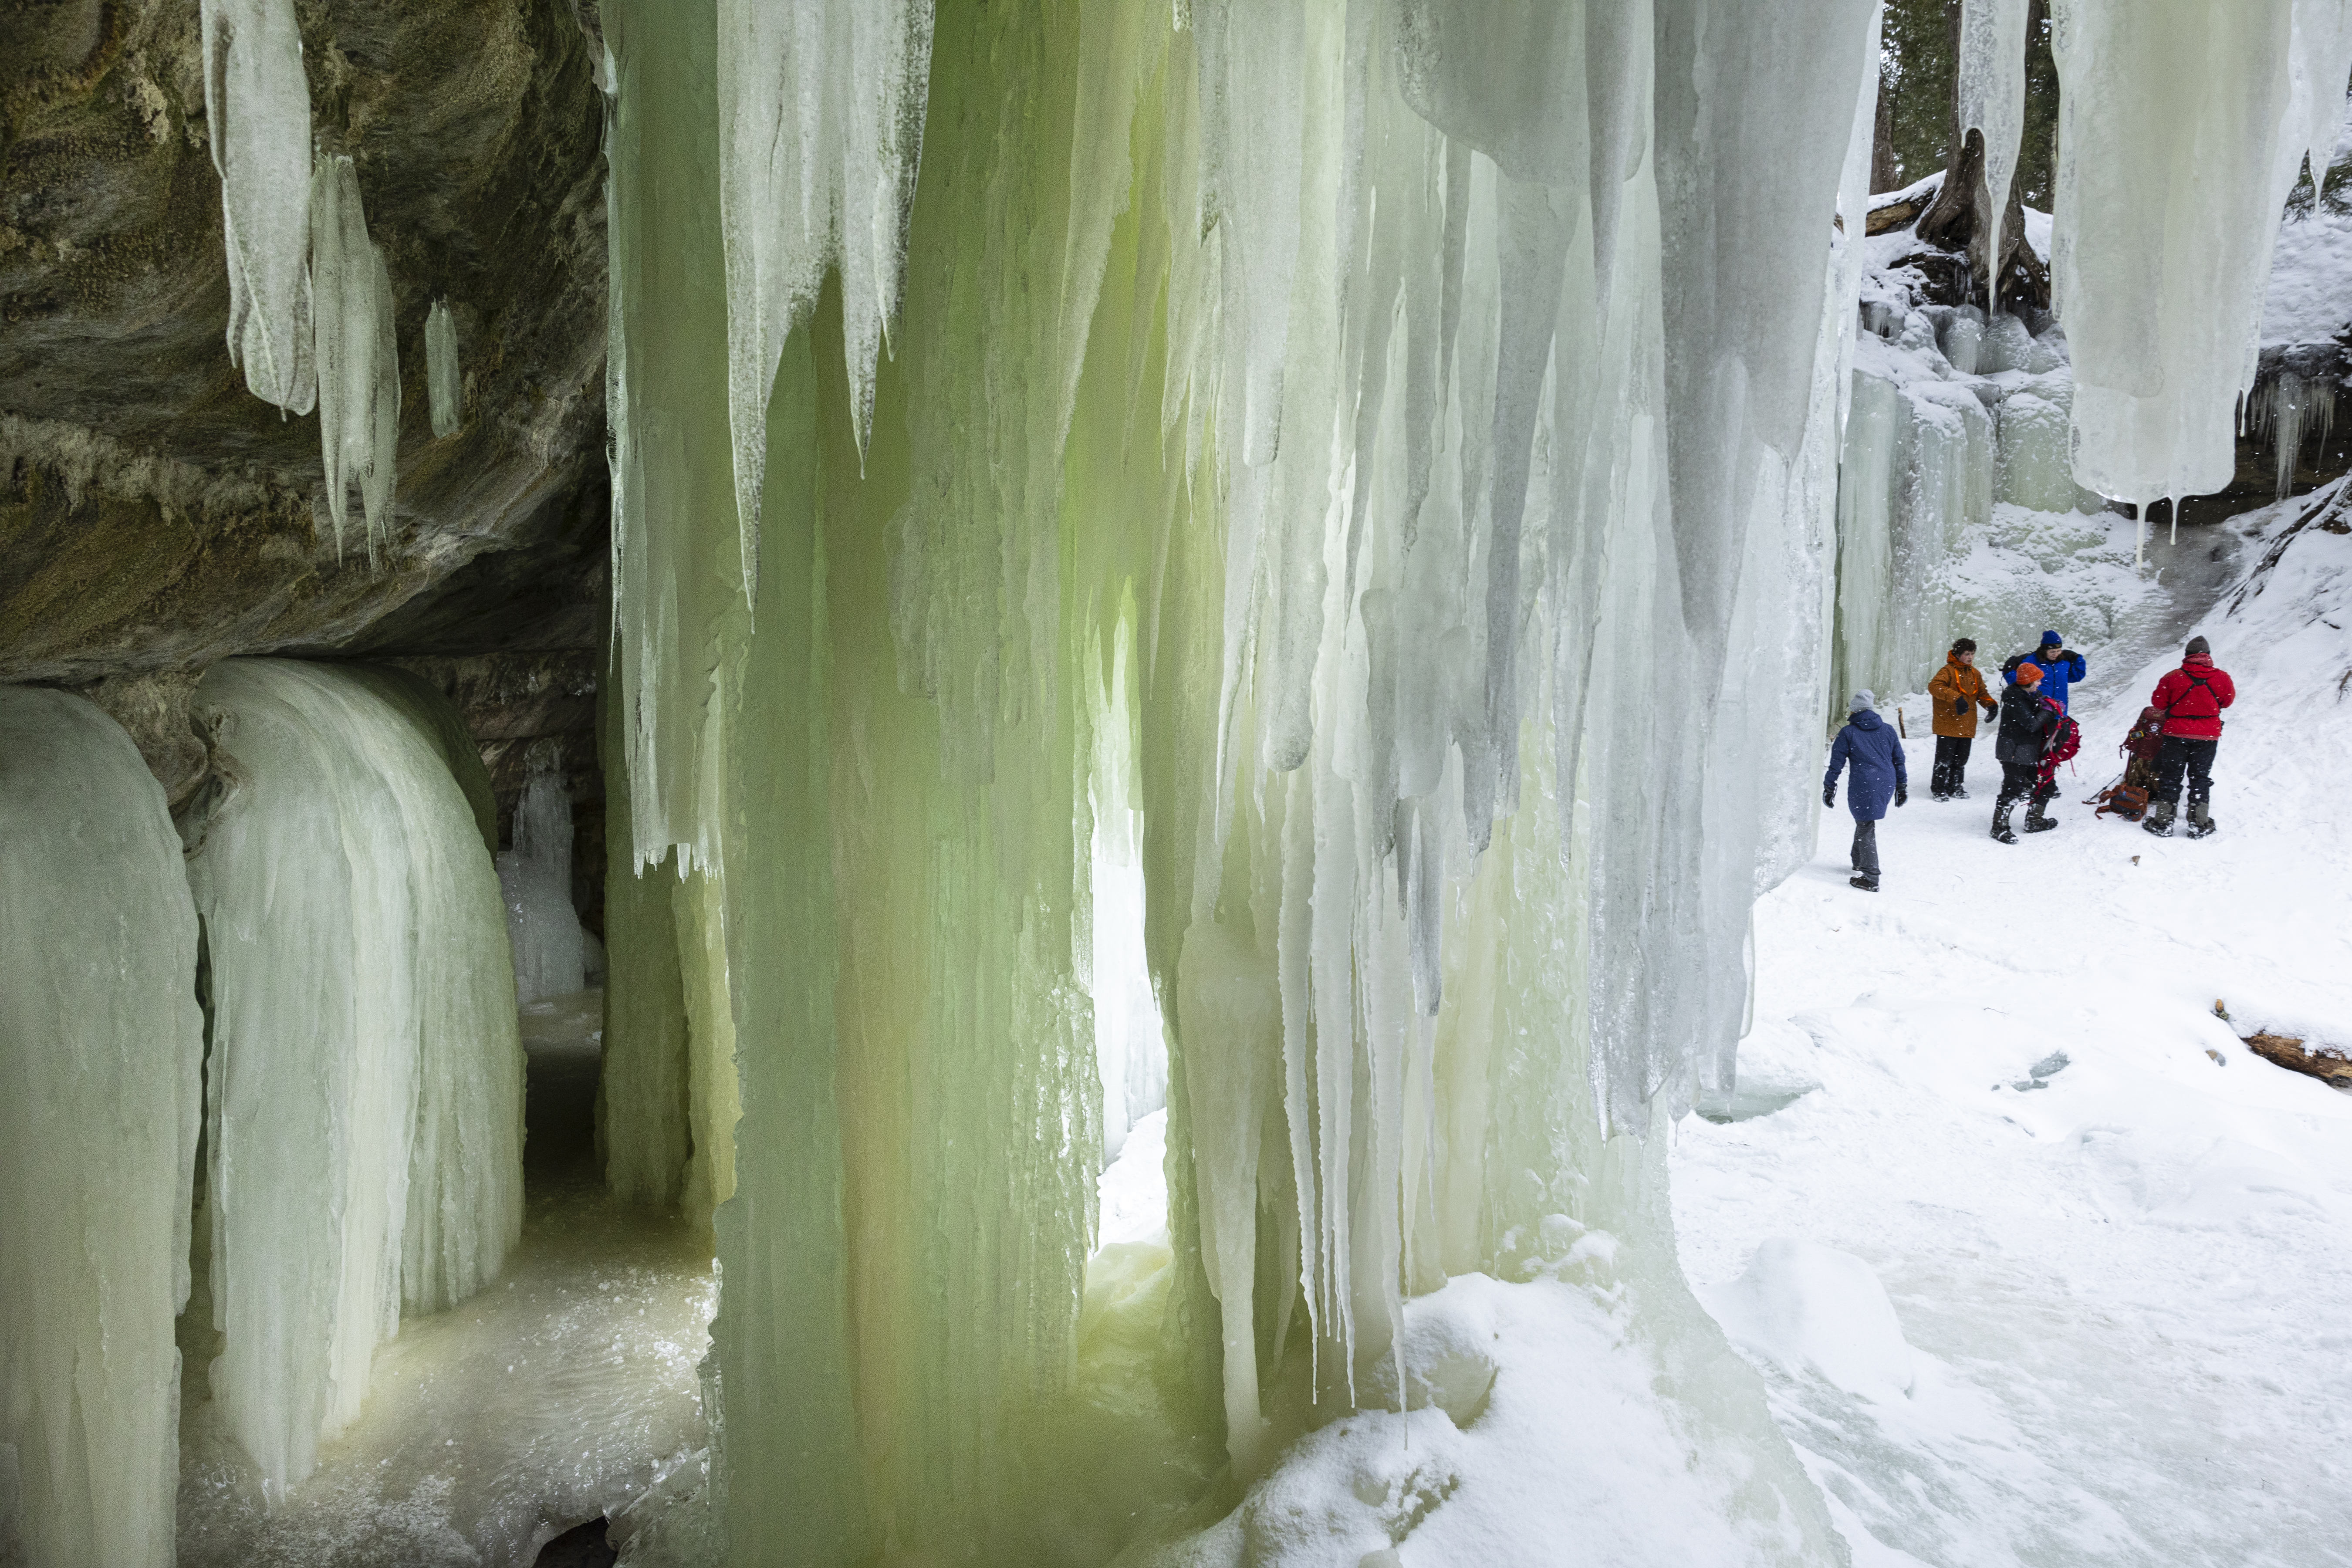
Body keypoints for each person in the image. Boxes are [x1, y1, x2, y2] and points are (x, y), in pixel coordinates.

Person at [2143, 635, 2235, 838]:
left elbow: (2158, 704)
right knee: (2200, 778)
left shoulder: (2173, 677)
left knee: (2171, 777)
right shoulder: (2222, 677)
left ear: (2187, 656)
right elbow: (2227, 702)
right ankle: (2199, 823)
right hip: (2208, 735)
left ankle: (2163, 822)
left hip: (2176, 734)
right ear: (2208, 656)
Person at [1824, 689, 1908, 892]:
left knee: (1865, 825)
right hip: (1885, 781)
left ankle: (1871, 877)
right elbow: (1899, 759)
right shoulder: (1888, 730)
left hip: (1865, 783)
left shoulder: (1849, 732)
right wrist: (1902, 785)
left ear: (1854, 711)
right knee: (1864, 821)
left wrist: (1829, 786)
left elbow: (1836, 764)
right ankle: (1859, 860)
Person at [1990, 661, 2058, 843]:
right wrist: (2048, 711)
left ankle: (2034, 821)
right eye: (2036, 681)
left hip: (2027, 750)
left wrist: (2047, 704)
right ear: (2028, 683)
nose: (2039, 684)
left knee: (2047, 784)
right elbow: (2031, 724)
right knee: (2013, 789)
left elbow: (2036, 713)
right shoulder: (2014, 699)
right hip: (2013, 751)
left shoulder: (2030, 696)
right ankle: (1999, 828)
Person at [1926, 638, 1999, 800]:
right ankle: (1939, 789)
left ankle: (1956, 787)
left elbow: (1981, 693)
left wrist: (1991, 706)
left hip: (1967, 725)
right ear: (1958, 654)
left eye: (1972, 654)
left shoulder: (1975, 673)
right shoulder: (1947, 671)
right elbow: (1935, 686)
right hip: (1947, 724)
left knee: (1961, 760)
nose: (1970, 657)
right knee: (1944, 760)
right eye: (1967, 654)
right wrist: (1956, 698)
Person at [2006, 630, 2087, 712]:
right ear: (2044, 651)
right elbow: (2018, 682)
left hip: (2060, 711)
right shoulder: (2031, 662)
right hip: (2037, 710)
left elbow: (2077, 676)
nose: (2056, 654)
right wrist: (2008, 670)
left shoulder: (2064, 662)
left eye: (2059, 651)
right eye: (2052, 652)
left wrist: (2077, 658)